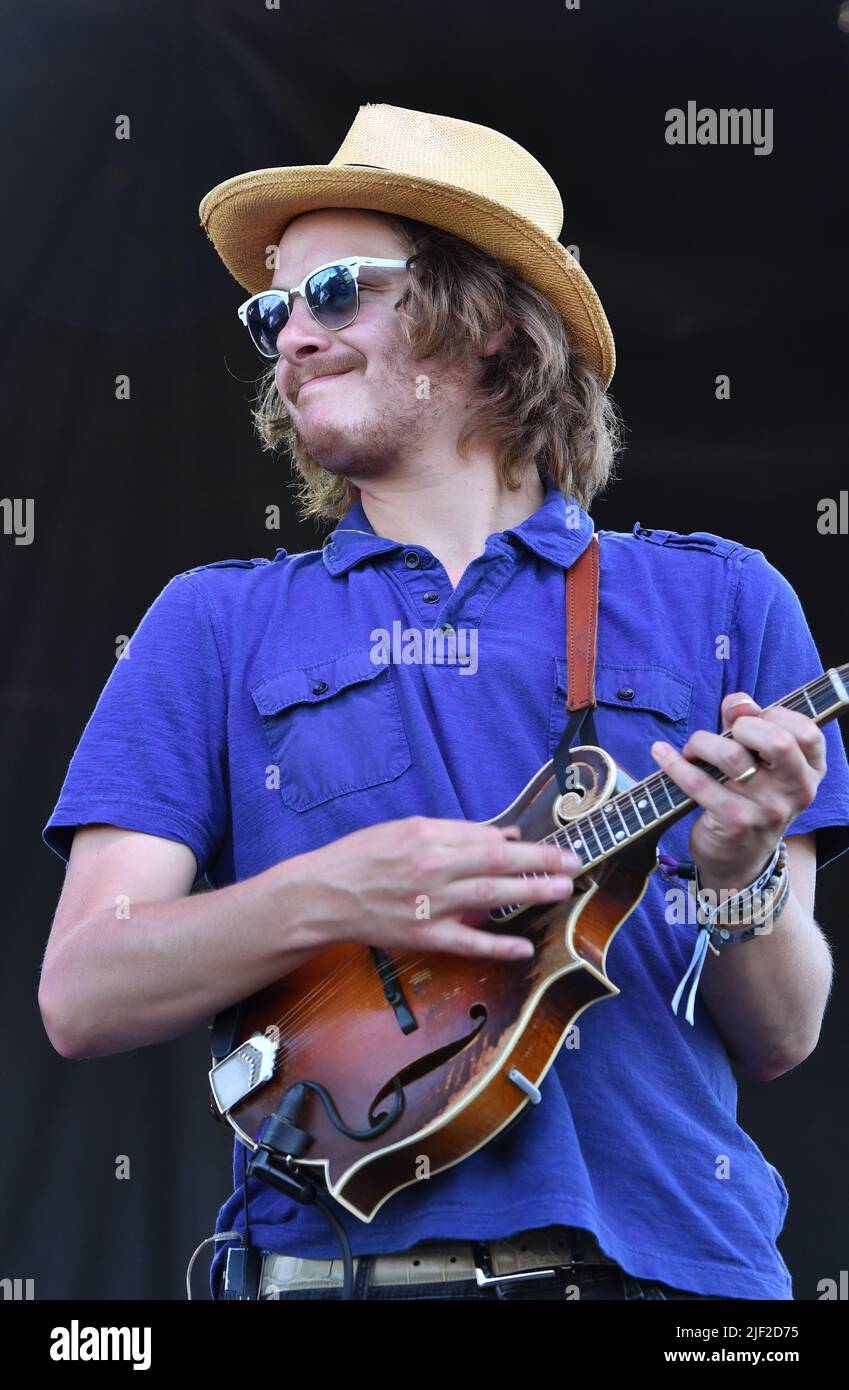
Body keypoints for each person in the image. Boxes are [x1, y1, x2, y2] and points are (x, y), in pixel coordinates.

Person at [40, 103, 849, 1303]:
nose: (290, 338)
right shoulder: (210, 622)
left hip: (685, 1284)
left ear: (492, 328)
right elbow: (84, 991)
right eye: (276, 310)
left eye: (337, 293)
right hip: (346, 1274)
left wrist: (741, 869)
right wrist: (332, 891)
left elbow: (784, 1037)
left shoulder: (723, 597)